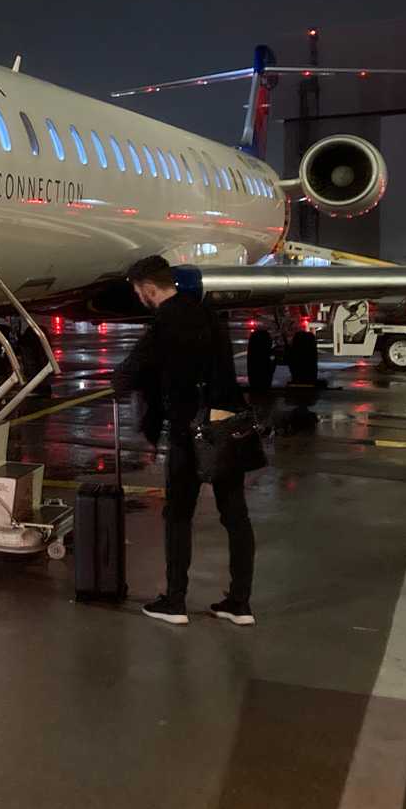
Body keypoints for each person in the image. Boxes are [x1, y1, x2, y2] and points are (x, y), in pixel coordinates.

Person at [112, 255, 256, 626]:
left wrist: (120, 385)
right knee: (235, 516)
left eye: (139, 292)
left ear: (148, 289)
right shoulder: (208, 313)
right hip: (227, 424)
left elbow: (131, 371)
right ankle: (240, 603)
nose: (140, 298)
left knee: (178, 515)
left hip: (189, 433)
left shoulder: (164, 322)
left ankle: (175, 601)